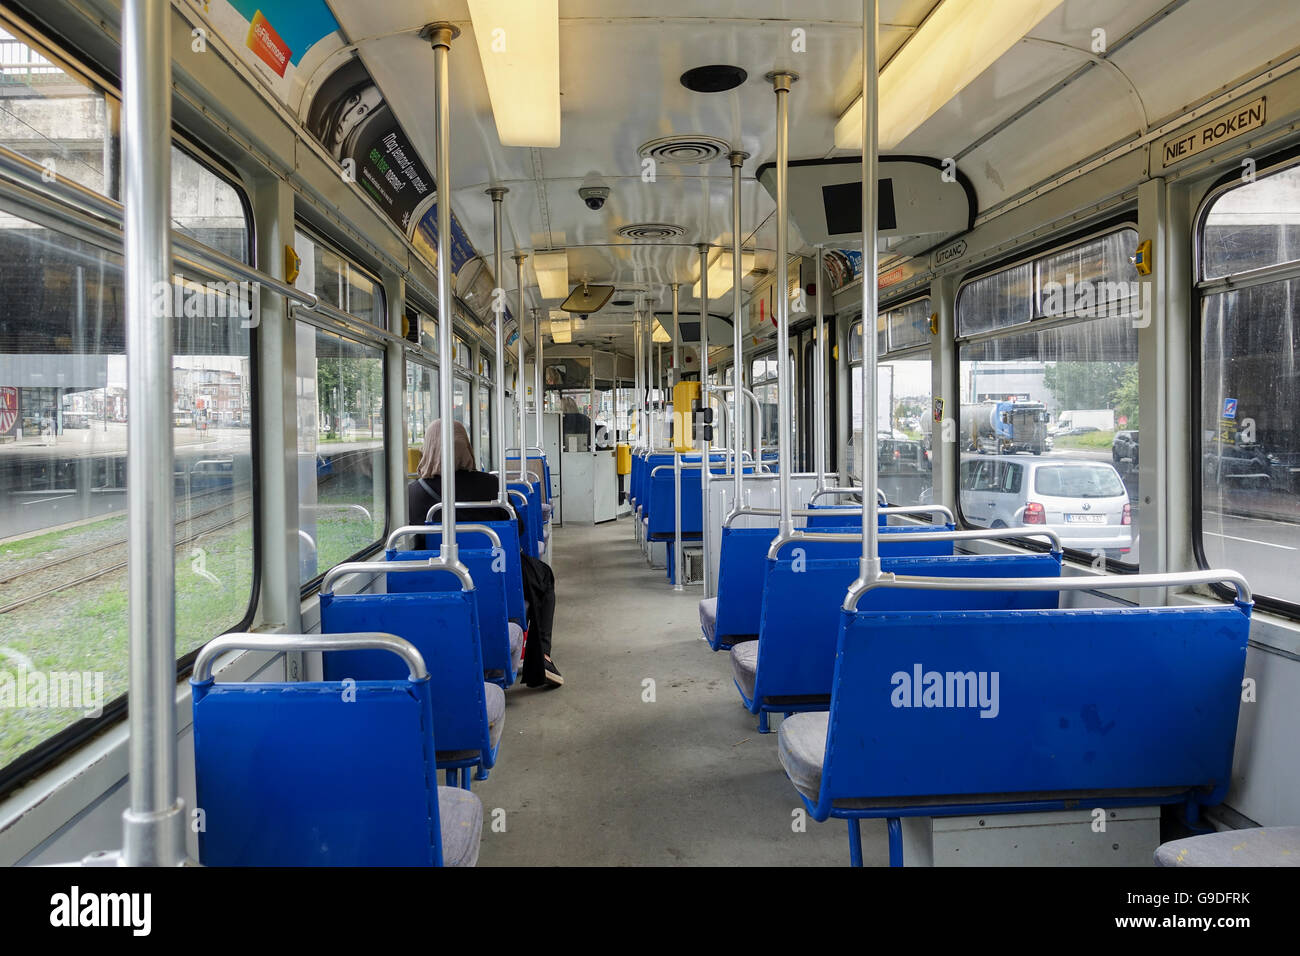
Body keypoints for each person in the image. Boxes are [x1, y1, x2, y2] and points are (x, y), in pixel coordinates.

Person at [408, 419, 563, 689]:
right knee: (544, 577)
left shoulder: (413, 494)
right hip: (497, 576)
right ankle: (543, 656)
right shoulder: (490, 485)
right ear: (466, 447)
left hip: (440, 582)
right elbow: (519, 527)